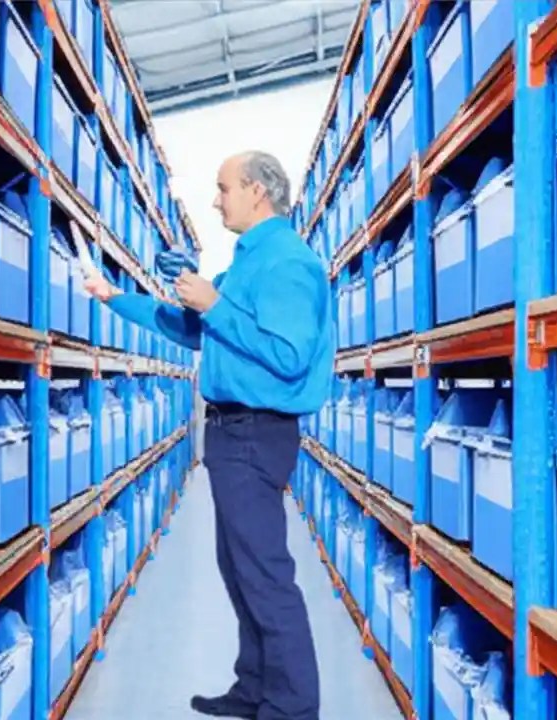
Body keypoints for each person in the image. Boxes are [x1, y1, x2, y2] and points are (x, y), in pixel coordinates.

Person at [84, 151, 335, 720]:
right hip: (229, 435)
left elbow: (289, 355)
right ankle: (254, 687)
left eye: (223, 189)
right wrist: (113, 296)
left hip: (255, 432)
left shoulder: (289, 264)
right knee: (240, 568)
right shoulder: (247, 261)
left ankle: (292, 709)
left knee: (267, 577)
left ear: (256, 192)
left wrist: (216, 304)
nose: (216, 200)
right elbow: (193, 328)